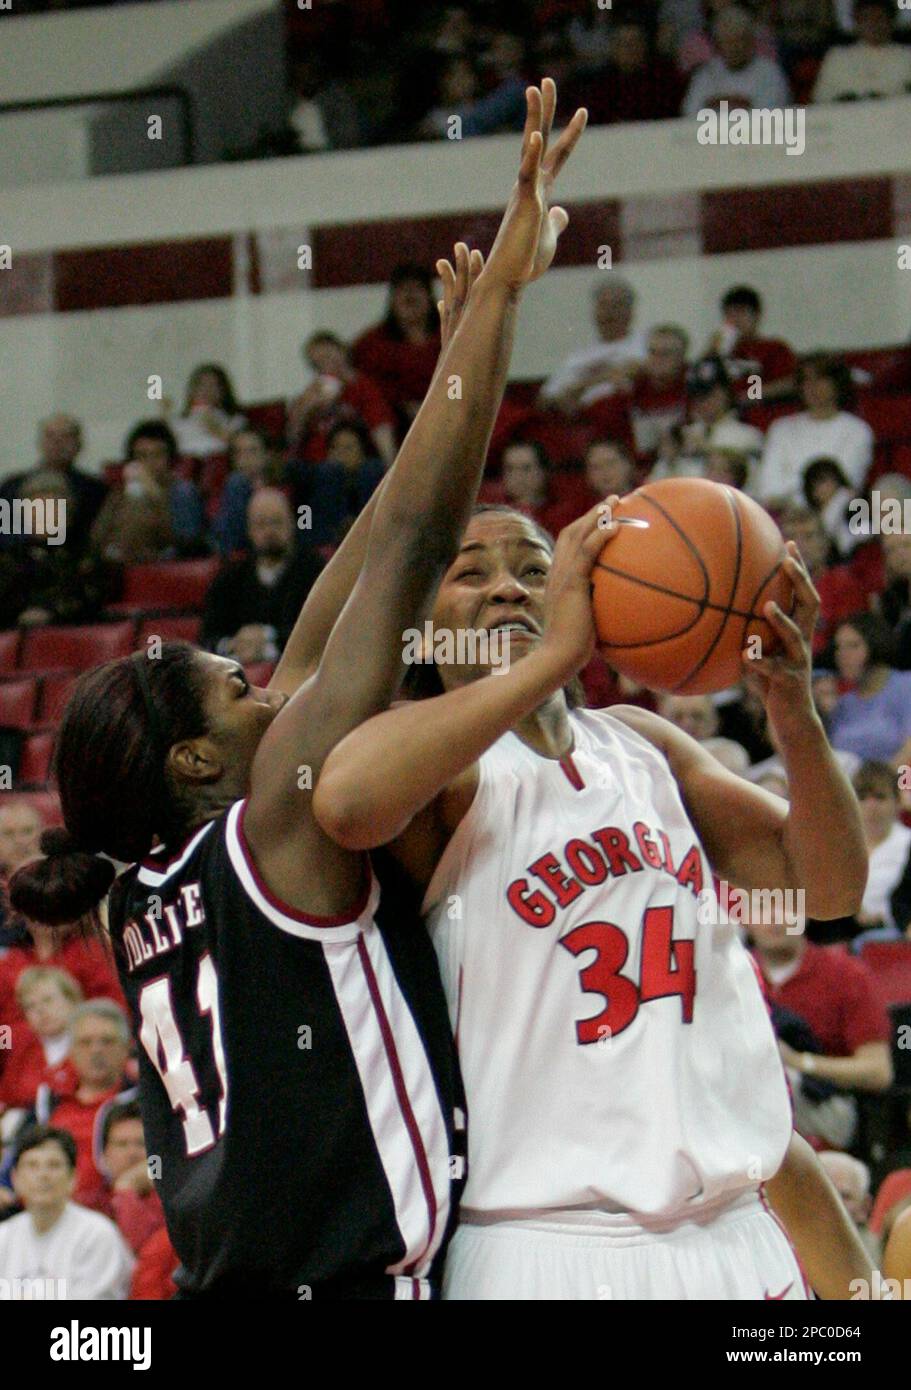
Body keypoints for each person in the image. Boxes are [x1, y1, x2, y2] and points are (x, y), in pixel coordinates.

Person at [8, 82, 589, 1300]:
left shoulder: (140, 897)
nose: (275, 696)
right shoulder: (273, 826)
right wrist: (497, 305)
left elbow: (358, 566)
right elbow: (422, 539)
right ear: (195, 763)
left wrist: (453, 365)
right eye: (240, 692)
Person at [313, 498, 868, 1298]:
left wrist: (792, 708)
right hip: (548, 1240)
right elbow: (345, 802)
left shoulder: (644, 746)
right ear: (420, 625)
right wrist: (554, 658)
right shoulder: (442, 766)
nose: (509, 589)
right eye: (470, 573)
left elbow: (827, 887)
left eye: (538, 570)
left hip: (736, 1228)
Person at [750, 911, 892, 1148]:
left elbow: (879, 1072)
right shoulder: (727, 974)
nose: (772, 919)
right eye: (761, 907)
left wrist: (799, 1061)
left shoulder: (847, 974)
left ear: (806, 913)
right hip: (751, 1095)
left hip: (826, 1100)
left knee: (775, 1082)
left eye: (785, 907)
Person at [0, 1126, 133, 1300]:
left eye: (54, 1165)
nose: (43, 1175)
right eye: (32, 1165)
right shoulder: (4, 1236)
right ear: (15, 1179)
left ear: (73, 1178)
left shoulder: (97, 1234)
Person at [201, 488, 324, 664]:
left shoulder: (313, 570)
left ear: (292, 524)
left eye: (276, 522)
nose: (269, 531)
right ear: (249, 530)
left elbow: (320, 631)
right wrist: (233, 645)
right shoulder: (230, 577)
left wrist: (267, 636)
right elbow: (207, 636)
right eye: (261, 524)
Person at [39, 1000, 137, 1208]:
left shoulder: (146, 1100)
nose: (96, 1050)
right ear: (71, 1050)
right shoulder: (49, 1099)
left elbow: (162, 1159)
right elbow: (20, 1155)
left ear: (126, 1048)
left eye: (107, 1041)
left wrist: (150, 1173)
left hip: (120, 1213)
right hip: (51, 1209)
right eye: (85, 1042)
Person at [757, 355, 874, 507]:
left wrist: (792, 491)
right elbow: (768, 488)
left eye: (820, 379)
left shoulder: (858, 431)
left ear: (837, 384)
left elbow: (844, 486)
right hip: (783, 513)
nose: (812, 387)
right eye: (806, 380)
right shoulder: (780, 428)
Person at [0, 471, 113, 629]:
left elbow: (93, 594)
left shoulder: (86, 554)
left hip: (74, 635)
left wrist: (51, 611)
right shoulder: (10, 556)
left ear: (68, 512)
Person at [90, 421, 207, 562]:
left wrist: (156, 496)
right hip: (117, 558)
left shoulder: (183, 491)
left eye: (157, 455)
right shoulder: (122, 491)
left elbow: (188, 543)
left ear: (169, 458)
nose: (150, 462)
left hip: (163, 557)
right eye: (142, 456)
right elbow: (97, 536)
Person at [352, 264, 442, 435]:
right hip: (394, 424)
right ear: (392, 299)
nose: (410, 296)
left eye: (417, 289)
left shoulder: (452, 337)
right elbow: (366, 389)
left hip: (447, 414)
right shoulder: (370, 344)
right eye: (403, 291)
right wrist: (404, 405)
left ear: (430, 297)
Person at [538, 276, 647, 416]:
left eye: (617, 305)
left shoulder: (644, 344)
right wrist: (565, 400)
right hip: (579, 422)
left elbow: (637, 370)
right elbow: (544, 399)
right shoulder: (578, 356)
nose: (609, 313)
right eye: (603, 306)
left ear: (631, 311)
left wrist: (581, 387)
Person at [0, 414, 107, 553]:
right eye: (50, 436)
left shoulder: (95, 490)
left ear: (79, 444)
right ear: (40, 442)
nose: (57, 442)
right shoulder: (12, 486)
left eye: (66, 436)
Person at [287, 331, 396, 468]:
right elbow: (292, 439)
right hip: (315, 463)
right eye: (317, 364)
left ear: (342, 351)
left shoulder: (363, 388)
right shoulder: (311, 393)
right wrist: (307, 407)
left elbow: (381, 428)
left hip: (354, 461)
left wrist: (391, 467)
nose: (326, 366)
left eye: (328, 357)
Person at [830, 613, 911, 765]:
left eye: (853, 646)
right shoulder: (843, 704)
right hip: (848, 782)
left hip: (897, 782)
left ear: (876, 644)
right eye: (838, 647)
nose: (842, 655)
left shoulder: (906, 685)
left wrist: (881, 784)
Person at [292, 420, 387, 549]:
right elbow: (304, 522)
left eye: (348, 448)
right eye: (335, 448)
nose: (340, 454)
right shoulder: (320, 482)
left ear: (362, 451)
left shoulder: (374, 476)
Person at [682, 6, 792, 116]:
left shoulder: (770, 72)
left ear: (751, 41)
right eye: (728, 42)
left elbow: (771, 115)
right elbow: (690, 112)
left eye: (739, 40)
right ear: (718, 45)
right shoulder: (706, 73)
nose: (734, 48)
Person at [0, 966, 80, 1113]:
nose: (40, 1010)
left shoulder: (88, 1043)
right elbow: (7, 1099)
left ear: (71, 999)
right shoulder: (22, 1051)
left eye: (47, 1000)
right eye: (31, 1006)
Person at [848, 761, 911, 946]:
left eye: (880, 797)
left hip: (894, 936)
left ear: (898, 801)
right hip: (844, 932)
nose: (871, 806)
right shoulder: (838, 847)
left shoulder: (907, 842)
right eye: (862, 797)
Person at [706, 286, 797, 401]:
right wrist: (711, 352)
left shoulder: (774, 348)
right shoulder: (720, 352)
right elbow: (701, 383)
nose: (735, 320)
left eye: (741, 312)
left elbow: (790, 383)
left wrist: (748, 396)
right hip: (730, 416)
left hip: (766, 413)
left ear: (757, 316)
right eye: (729, 315)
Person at [812, 0, 911, 103]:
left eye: (880, 18)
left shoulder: (907, 56)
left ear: (891, 21)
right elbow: (821, 98)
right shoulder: (837, 57)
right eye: (867, 18)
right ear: (857, 22)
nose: (873, 25)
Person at [171, 364, 247, 460]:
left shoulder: (235, 419)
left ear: (223, 390)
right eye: (202, 385)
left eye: (213, 385)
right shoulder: (178, 420)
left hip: (219, 463)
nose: (207, 390)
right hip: (185, 465)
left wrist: (214, 427)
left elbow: (238, 448)